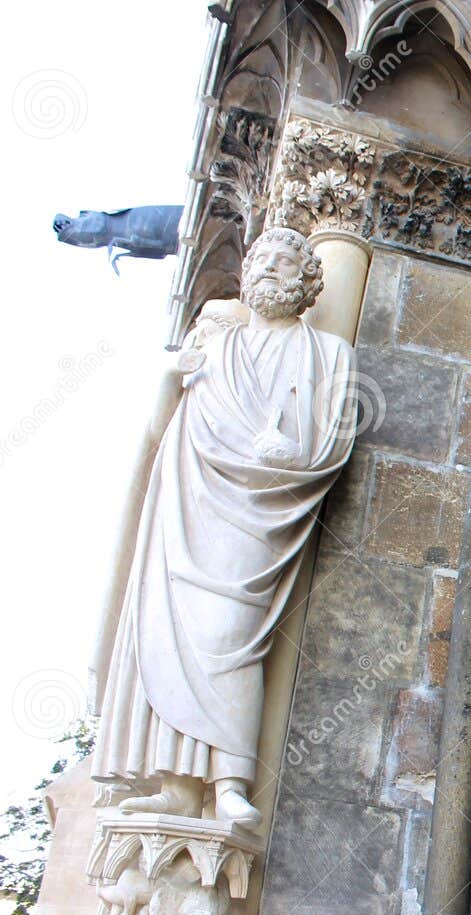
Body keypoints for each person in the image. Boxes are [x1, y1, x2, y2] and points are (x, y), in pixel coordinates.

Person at [93, 227, 356, 827]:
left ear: (308, 281)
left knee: (230, 635)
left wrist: (292, 456)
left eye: (285, 260)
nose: (269, 268)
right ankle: (178, 787)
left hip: (260, 513)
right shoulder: (214, 344)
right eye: (260, 258)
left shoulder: (328, 354)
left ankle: (232, 780)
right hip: (190, 504)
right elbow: (164, 427)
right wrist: (170, 375)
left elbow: (334, 440)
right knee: (170, 633)